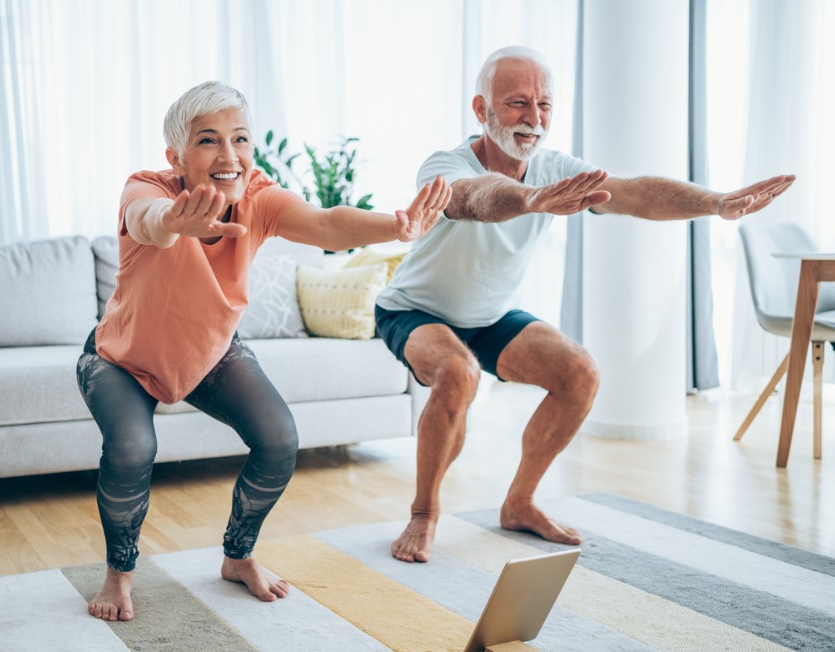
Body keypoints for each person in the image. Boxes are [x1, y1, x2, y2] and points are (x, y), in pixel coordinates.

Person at [374, 46, 795, 563]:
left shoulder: (555, 168)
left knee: (580, 373)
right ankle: (424, 514)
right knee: (458, 373)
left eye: (545, 104)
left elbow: (634, 193)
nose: (534, 118)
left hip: (490, 315)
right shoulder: (445, 165)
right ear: (481, 110)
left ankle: (520, 503)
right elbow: (472, 199)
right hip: (415, 310)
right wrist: (528, 199)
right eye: (517, 103)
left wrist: (717, 203)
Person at [76, 80, 451, 621]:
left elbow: (325, 223)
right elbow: (146, 222)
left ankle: (238, 556)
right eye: (209, 141)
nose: (229, 156)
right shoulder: (147, 188)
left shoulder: (256, 196)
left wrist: (397, 226)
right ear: (176, 157)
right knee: (132, 449)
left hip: (208, 351)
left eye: (240, 139)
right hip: (120, 358)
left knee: (279, 440)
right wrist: (173, 222)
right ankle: (120, 574)